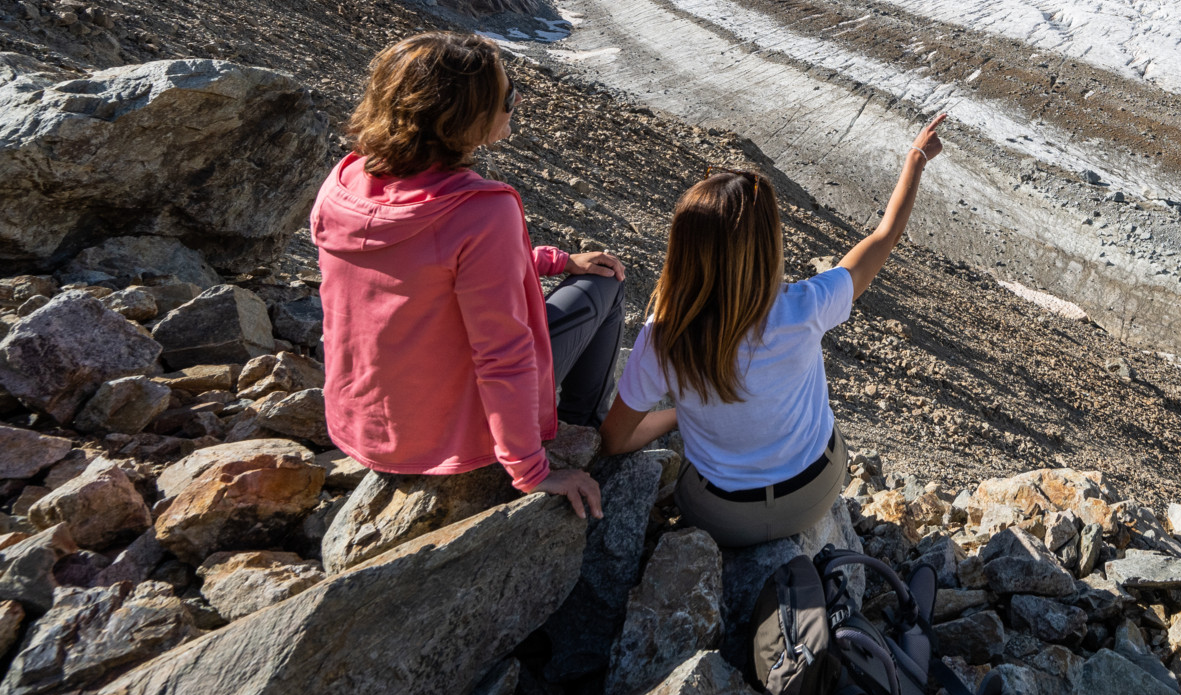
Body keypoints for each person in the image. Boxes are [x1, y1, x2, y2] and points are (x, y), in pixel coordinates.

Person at [311, 31, 626, 519]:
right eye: (508, 98)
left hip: (362, 424)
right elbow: (503, 353)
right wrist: (534, 470)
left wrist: (558, 260)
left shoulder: (346, 181)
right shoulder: (481, 211)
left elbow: (432, 264)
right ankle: (578, 430)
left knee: (583, 275)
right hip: (444, 436)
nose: (513, 106)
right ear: (465, 117)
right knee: (605, 285)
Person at [599, 114, 946, 546]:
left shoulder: (664, 334)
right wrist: (915, 159)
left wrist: (678, 416)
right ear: (766, 246)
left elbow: (615, 439)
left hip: (722, 517)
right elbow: (883, 237)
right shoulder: (803, 306)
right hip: (814, 493)